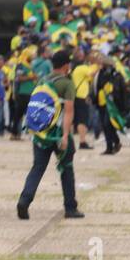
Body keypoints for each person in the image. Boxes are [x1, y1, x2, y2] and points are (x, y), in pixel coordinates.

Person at [16, 49, 84, 220]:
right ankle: (70, 207)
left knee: (37, 167)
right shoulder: (67, 83)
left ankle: (24, 201)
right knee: (66, 168)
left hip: (40, 133)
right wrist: (66, 136)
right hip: (58, 133)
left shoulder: (43, 80)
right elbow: (68, 112)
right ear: (67, 66)